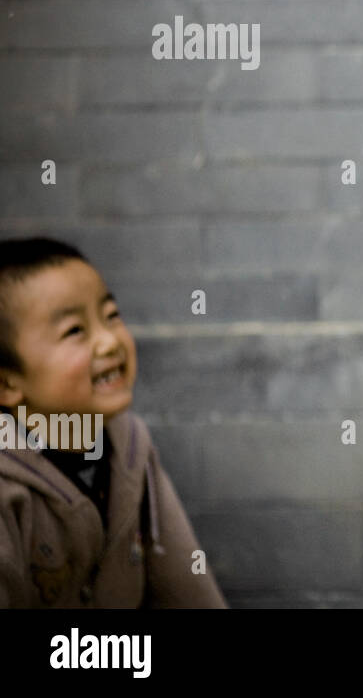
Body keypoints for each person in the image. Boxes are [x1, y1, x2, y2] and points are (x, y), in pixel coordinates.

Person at [0, 237, 226, 608]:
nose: (108, 341)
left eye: (111, 316)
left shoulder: (131, 447)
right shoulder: (7, 489)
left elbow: (187, 586)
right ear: (7, 384)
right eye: (74, 330)